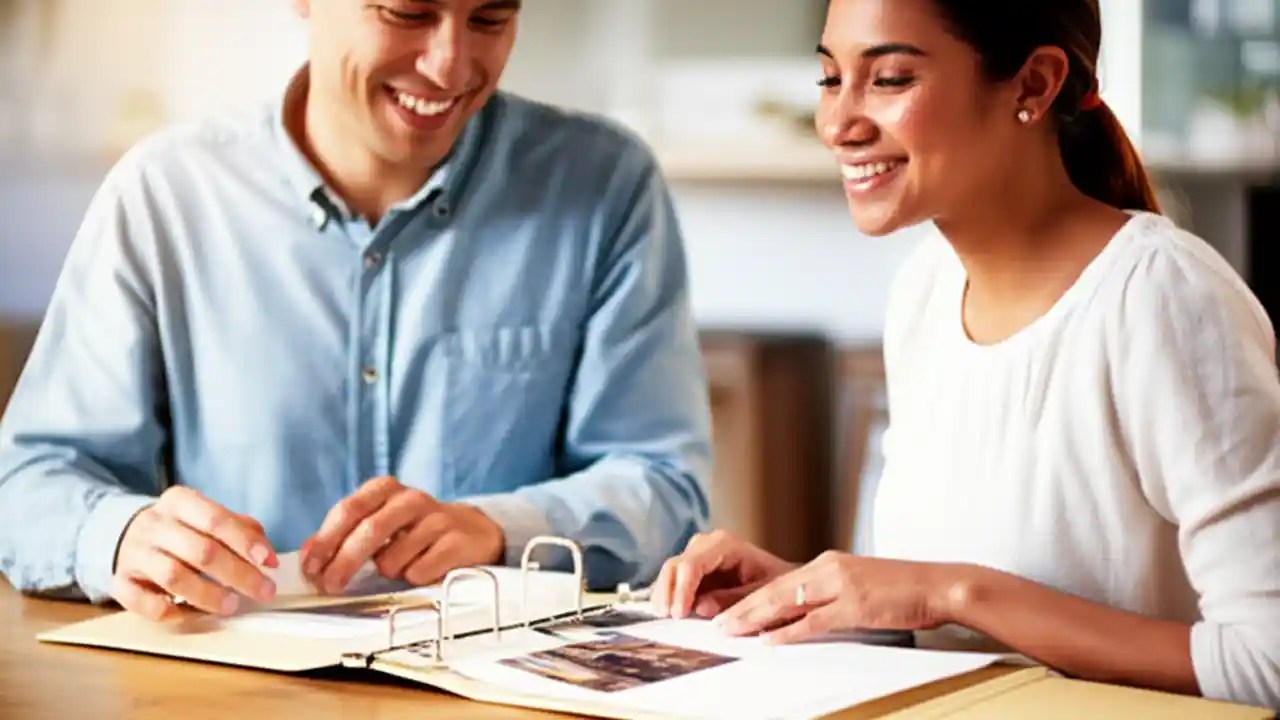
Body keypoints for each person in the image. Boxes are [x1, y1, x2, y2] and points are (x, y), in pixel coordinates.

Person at [652, 0, 1280, 709]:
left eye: (888, 79)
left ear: (1035, 86)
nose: (838, 124)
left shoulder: (1162, 299)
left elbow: (1266, 662)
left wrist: (950, 591)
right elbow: (955, 635)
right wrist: (802, 592)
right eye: (830, 78)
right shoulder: (924, 289)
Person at [0, 0, 712, 621]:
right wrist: (119, 535)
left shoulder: (605, 185)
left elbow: (662, 481)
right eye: (407, 13)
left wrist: (499, 527)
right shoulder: (165, 196)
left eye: (490, 18)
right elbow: (26, 484)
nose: (449, 64)